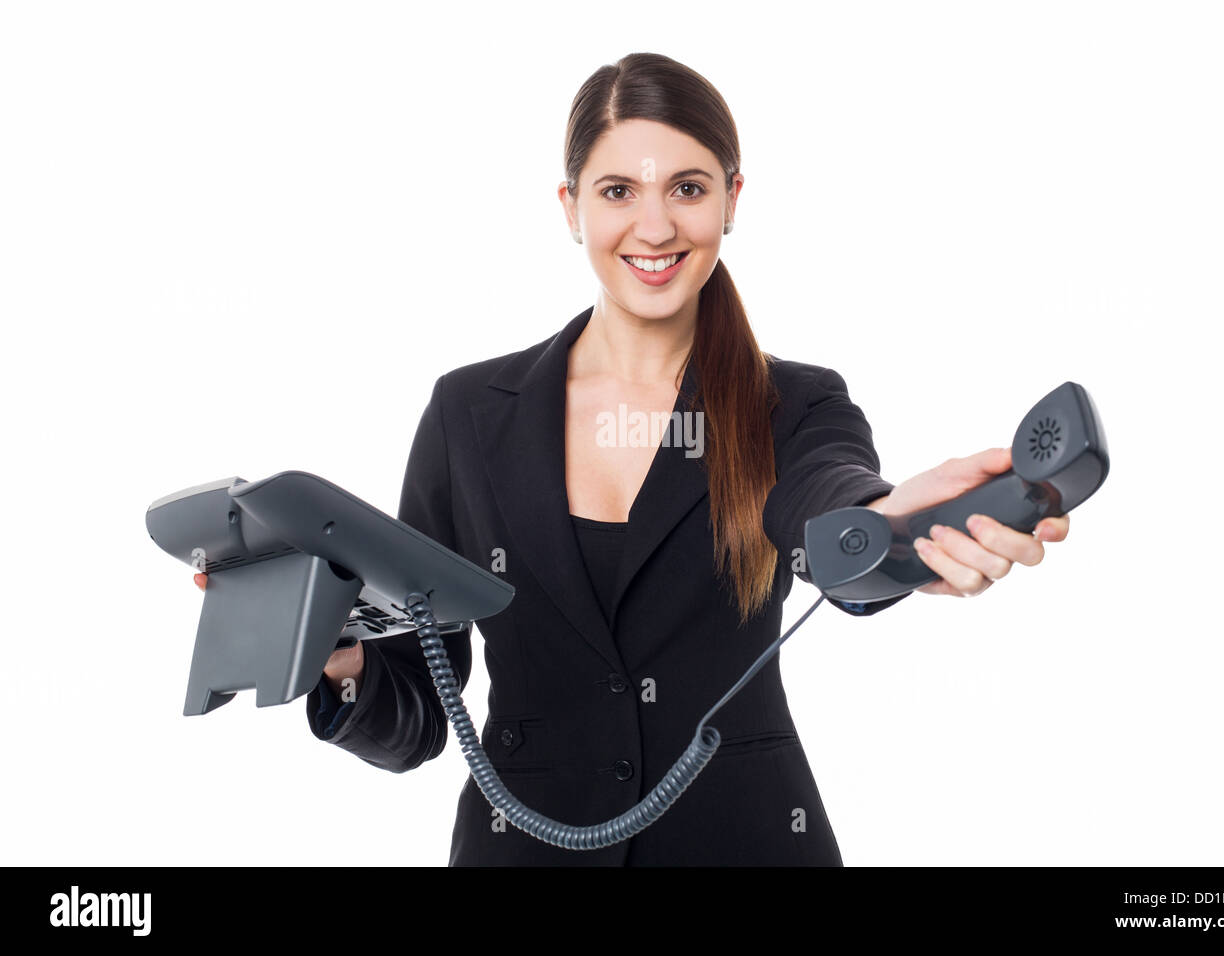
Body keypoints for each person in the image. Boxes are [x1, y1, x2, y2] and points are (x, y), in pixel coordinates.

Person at [195, 52, 1070, 865]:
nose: (654, 226)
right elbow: (426, 710)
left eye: (686, 188)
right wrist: (337, 660)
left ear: (732, 198)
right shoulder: (469, 413)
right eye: (618, 190)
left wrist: (884, 530)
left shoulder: (797, 402)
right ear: (571, 207)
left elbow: (822, 504)